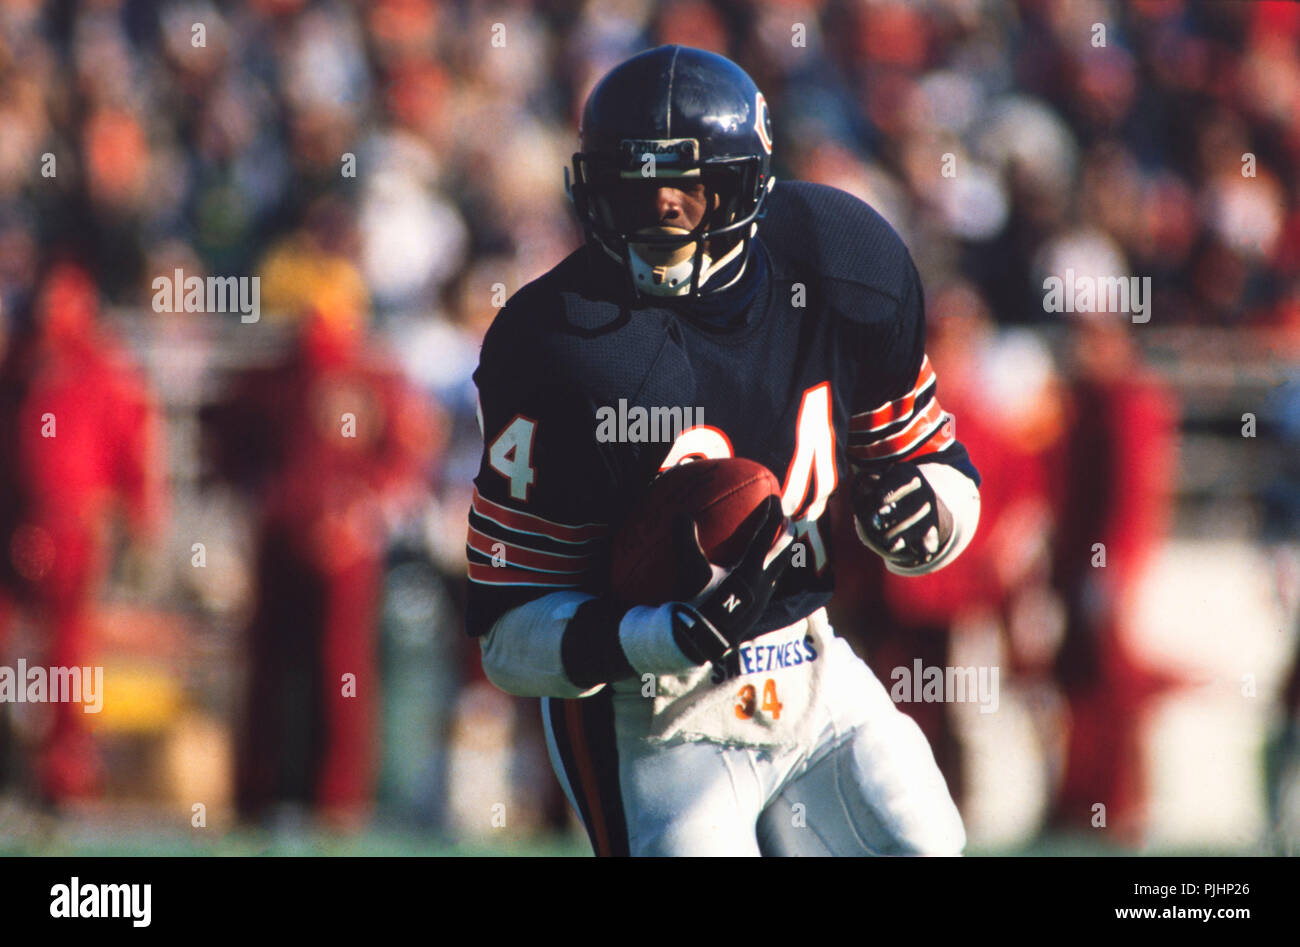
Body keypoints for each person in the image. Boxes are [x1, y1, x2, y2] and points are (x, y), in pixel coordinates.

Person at [466, 46, 981, 856]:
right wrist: (656, 632)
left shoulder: (843, 258)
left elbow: (933, 460)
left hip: (811, 667)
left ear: (744, 184)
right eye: (635, 186)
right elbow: (506, 634)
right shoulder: (556, 345)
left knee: (926, 839)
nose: (663, 207)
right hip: (654, 712)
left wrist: (933, 514)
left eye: (690, 185)